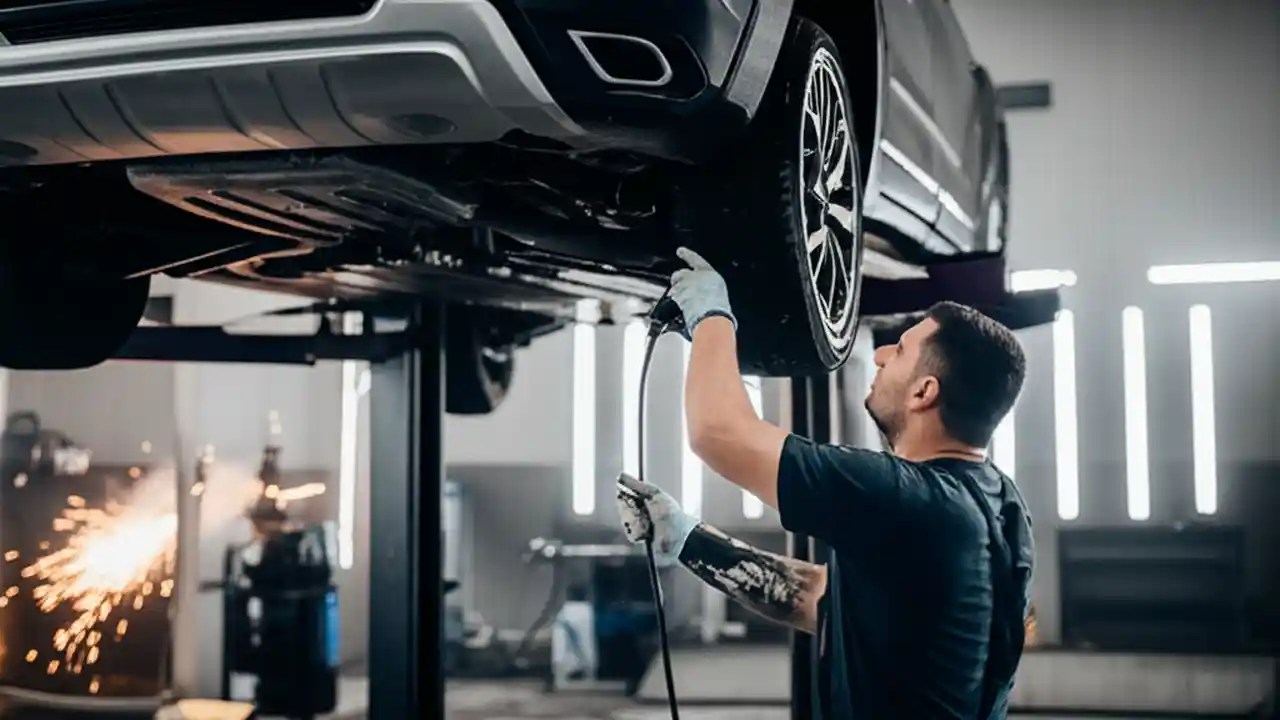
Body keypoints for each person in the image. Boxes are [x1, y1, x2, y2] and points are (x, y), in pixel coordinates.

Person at [615, 248, 1036, 719]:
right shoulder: (999, 505)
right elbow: (822, 600)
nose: (878, 355)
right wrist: (689, 540)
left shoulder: (903, 497)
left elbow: (717, 432)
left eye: (898, 351)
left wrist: (712, 315)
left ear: (924, 392)